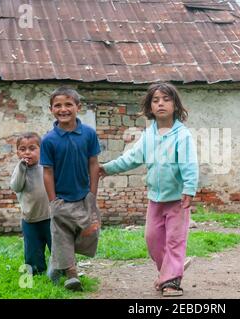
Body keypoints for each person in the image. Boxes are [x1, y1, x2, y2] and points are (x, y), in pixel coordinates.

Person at [99, 82, 198, 297]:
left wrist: (189, 189)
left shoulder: (182, 135)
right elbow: (131, 158)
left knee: (175, 240)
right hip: (156, 198)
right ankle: (169, 272)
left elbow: (189, 164)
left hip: (178, 199)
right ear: (150, 107)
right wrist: (106, 169)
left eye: (166, 99)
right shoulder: (148, 135)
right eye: (156, 100)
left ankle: (171, 281)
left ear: (175, 105)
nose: (161, 103)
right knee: (152, 240)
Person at [40, 87, 101, 291]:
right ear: (51, 110)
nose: (63, 109)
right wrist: (53, 201)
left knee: (90, 231)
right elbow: (47, 172)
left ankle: (57, 263)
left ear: (78, 107)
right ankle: (71, 274)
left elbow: (93, 163)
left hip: (84, 196)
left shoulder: (89, 134)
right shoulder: (49, 140)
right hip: (62, 199)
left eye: (68, 104)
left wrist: (92, 193)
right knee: (62, 235)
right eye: (58, 105)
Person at [10, 132, 51, 275]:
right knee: (33, 249)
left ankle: (62, 270)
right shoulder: (20, 169)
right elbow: (16, 186)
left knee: (58, 247)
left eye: (32, 148)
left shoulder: (47, 166)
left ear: (41, 149)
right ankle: (36, 270)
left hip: (51, 216)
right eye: (22, 149)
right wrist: (22, 168)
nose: (27, 152)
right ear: (17, 153)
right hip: (30, 218)